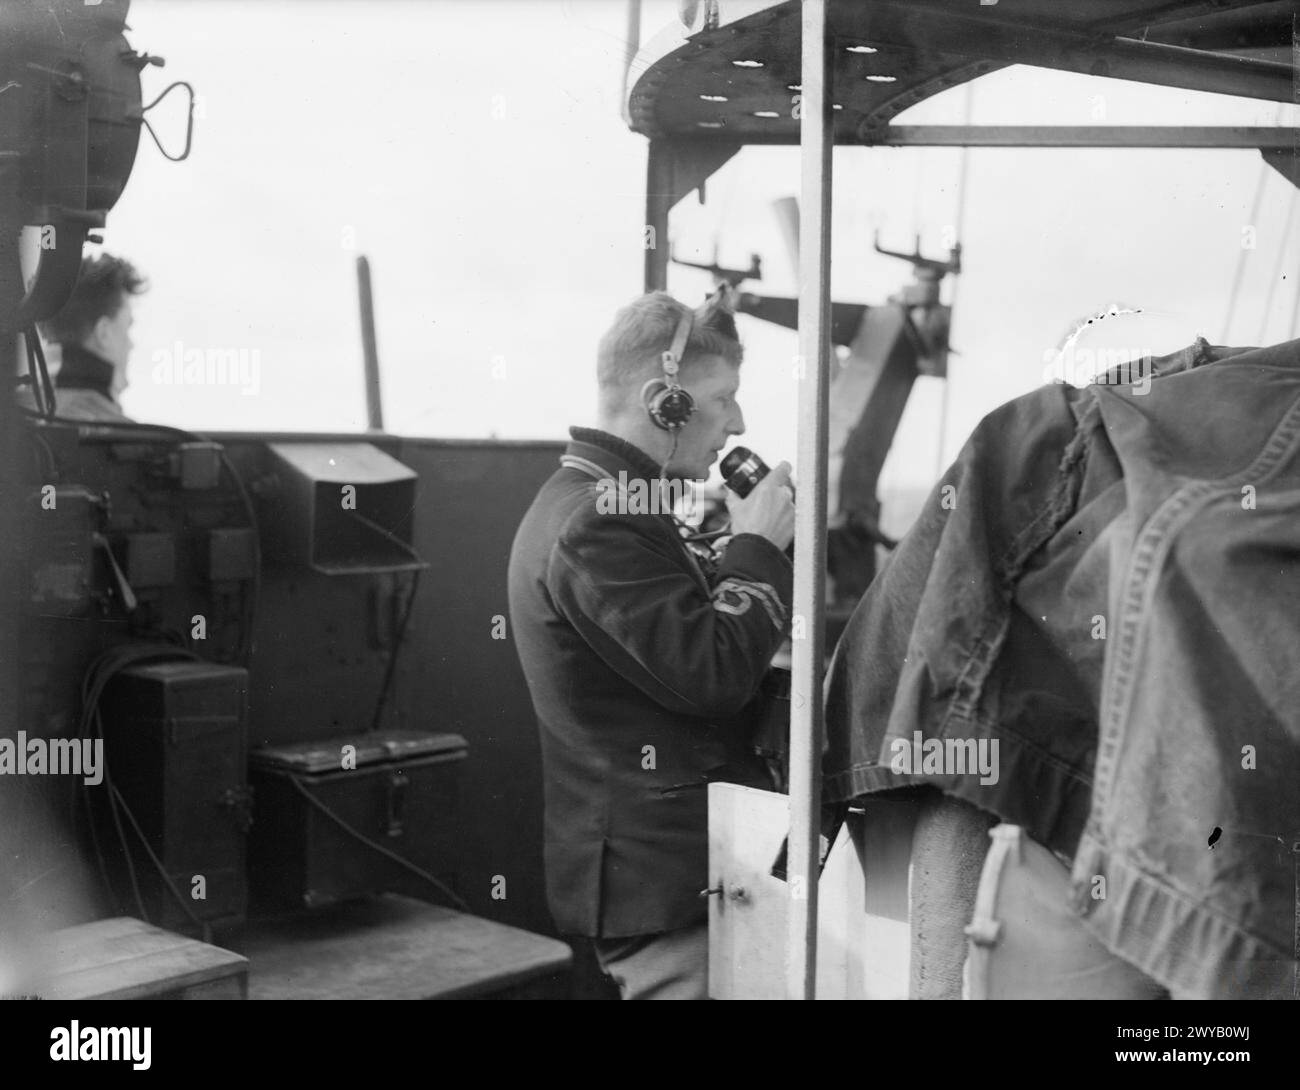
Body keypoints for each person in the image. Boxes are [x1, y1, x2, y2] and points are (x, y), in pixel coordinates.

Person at [507, 289, 795, 999]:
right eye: (723, 399)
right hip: (666, 888)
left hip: (676, 873)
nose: (737, 423)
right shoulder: (594, 522)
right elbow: (712, 672)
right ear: (664, 402)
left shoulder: (613, 504)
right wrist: (756, 544)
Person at [28, 253, 146, 421]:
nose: (131, 344)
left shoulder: (11, 419)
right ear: (104, 333)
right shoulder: (128, 440)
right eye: (127, 328)